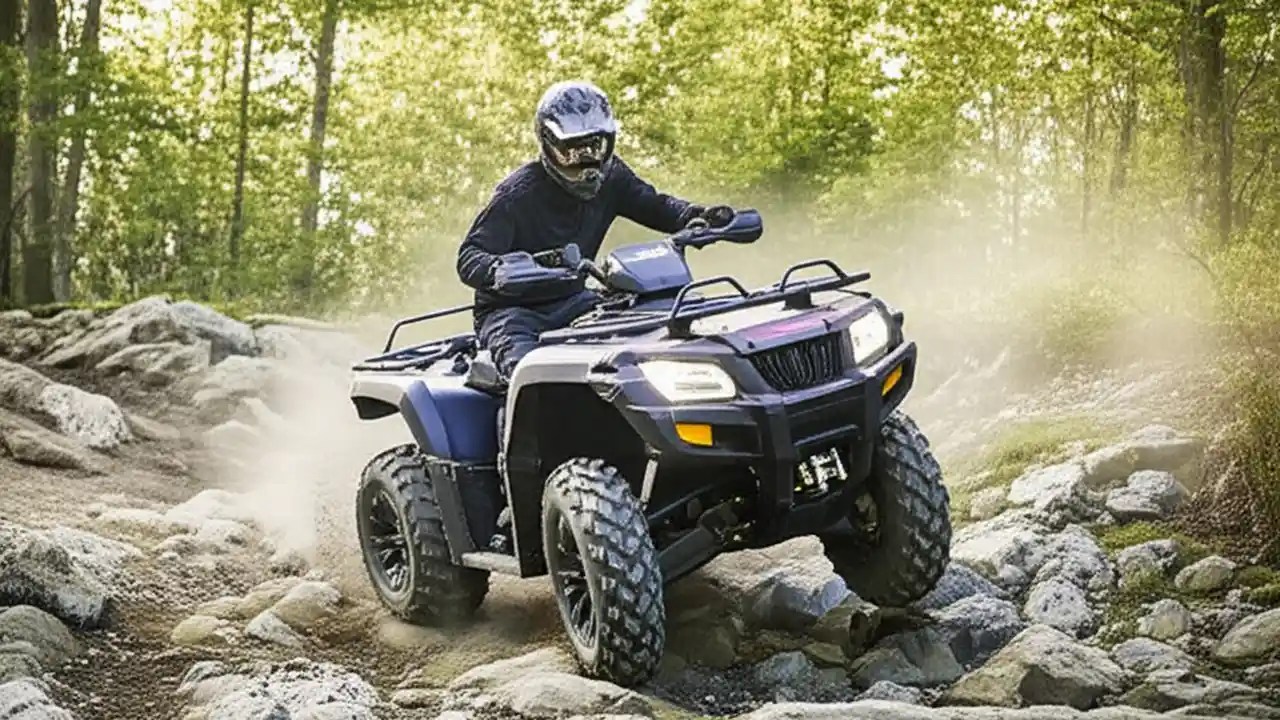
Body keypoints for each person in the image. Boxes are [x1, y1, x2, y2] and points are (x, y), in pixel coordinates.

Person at [456, 80, 735, 379]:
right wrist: (500, 269)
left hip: (577, 300)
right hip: (513, 314)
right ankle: (523, 423)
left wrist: (695, 217)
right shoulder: (517, 195)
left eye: (595, 147)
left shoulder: (612, 177)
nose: (587, 163)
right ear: (548, 144)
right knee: (531, 373)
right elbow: (469, 256)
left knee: (649, 332)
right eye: (572, 152)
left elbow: (654, 204)